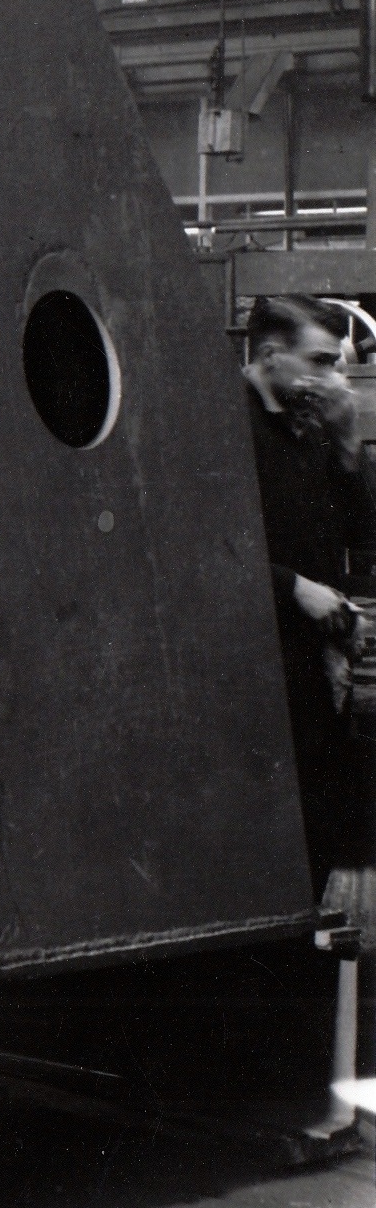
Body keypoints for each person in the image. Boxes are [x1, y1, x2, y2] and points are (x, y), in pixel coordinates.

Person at [245, 294, 376, 897]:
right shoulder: (220, 426)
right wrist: (293, 588)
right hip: (249, 664)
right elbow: (199, 546)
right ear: (271, 355)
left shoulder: (312, 426)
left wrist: (349, 443)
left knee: (317, 833)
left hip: (314, 662)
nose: (333, 378)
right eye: (320, 361)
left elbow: (359, 536)